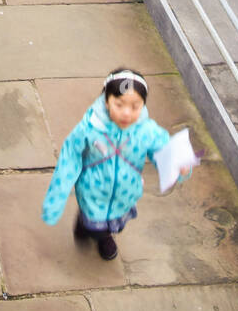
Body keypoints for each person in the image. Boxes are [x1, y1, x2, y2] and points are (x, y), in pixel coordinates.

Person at [41, 68, 191, 260]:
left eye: (135, 106)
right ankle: (92, 230)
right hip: (92, 191)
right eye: (119, 105)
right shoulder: (89, 128)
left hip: (125, 193)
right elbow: (69, 159)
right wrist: (55, 200)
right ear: (106, 100)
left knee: (114, 221)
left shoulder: (147, 131)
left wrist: (179, 166)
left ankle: (103, 234)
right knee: (92, 222)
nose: (126, 113)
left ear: (143, 105)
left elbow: (164, 152)